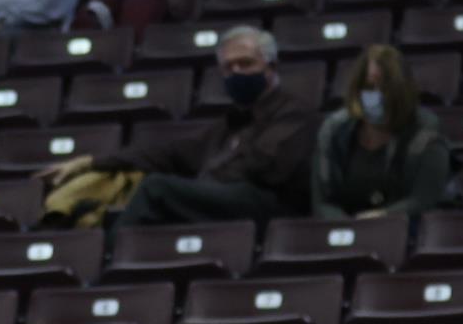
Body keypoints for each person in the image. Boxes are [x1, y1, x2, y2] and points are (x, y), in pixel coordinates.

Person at [45, 27, 312, 225]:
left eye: (246, 63)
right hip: (222, 201)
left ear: (271, 67)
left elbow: (263, 167)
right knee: (138, 194)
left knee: (157, 189)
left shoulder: (293, 112)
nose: (237, 73)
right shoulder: (228, 124)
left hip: (269, 207)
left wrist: (199, 184)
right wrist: (92, 162)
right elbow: (171, 153)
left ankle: (110, 264)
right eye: (229, 68)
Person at [310, 46, 450, 219]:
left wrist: (381, 218)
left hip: (403, 228)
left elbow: (424, 199)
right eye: (371, 86)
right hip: (345, 229)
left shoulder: (426, 130)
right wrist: (347, 227)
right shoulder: (334, 130)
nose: (379, 95)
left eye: (387, 87)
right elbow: (323, 202)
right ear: (357, 89)